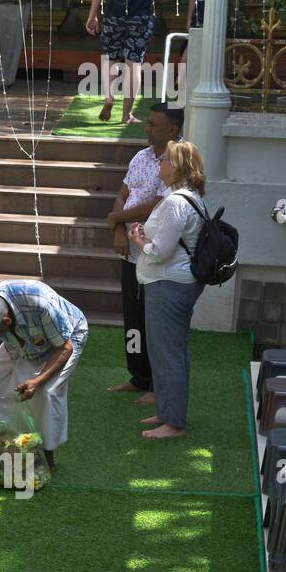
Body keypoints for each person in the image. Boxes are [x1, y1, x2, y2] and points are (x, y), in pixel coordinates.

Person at [0, 281, 89, 473]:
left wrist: (38, 380)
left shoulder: (40, 304)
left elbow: (64, 347)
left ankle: (46, 459)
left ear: (7, 322)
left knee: (46, 392)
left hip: (67, 336)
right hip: (19, 338)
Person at [128, 140, 208, 440]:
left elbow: (161, 252)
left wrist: (139, 241)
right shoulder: (191, 198)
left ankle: (174, 423)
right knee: (170, 351)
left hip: (168, 284)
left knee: (168, 354)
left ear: (177, 167)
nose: (159, 164)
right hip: (173, 283)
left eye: (164, 161)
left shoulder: (176, 202)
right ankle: (167, 413)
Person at [104, 102, 183, 405]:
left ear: (172, 129)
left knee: (156, 322)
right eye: (147, 123)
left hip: (156, 254)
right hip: (130, 252)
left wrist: (117, 218)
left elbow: (157, 205)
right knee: (133, 318)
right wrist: (117, 230)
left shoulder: (177, 160)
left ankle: (157, 384)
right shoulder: (140, 157)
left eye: (153, 125)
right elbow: (123, 194)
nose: (147, 129)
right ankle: (138, 376)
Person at [85, 0, 169, 123]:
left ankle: (109, 97)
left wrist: (92, 16)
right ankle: (126, 115)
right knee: (134, 62)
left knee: (111, 58)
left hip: (113, 15)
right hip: (140, 16)